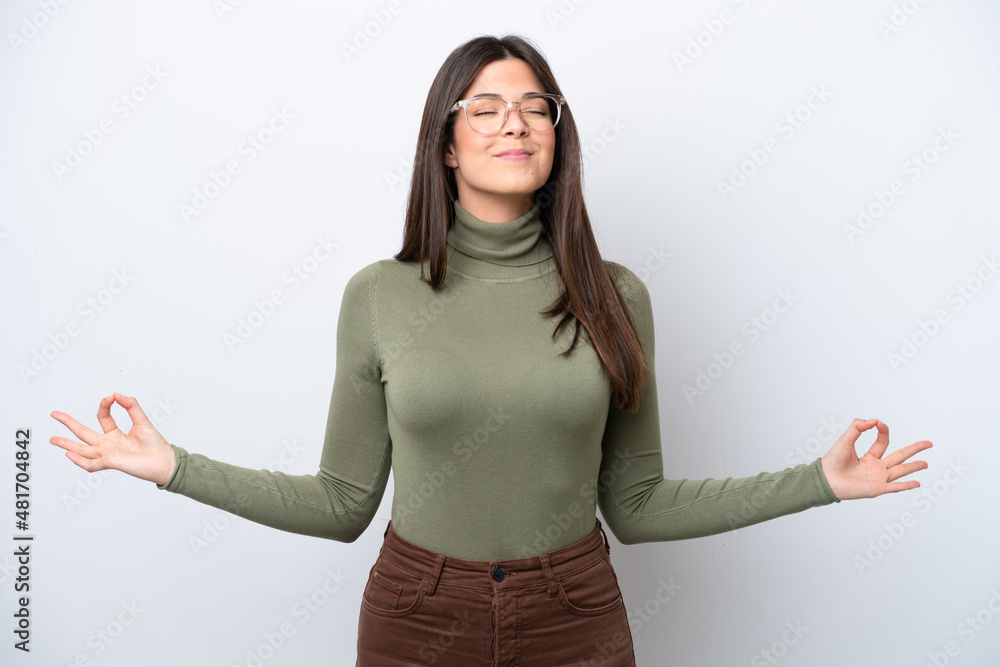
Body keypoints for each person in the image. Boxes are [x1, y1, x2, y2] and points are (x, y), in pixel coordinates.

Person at [49, 33, 932, 667]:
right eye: (488, 107)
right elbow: (342, 501)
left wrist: (821, 482)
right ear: (445, 141)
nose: (516, 122)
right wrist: (173, 466)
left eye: (534, 107)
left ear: (557, 134)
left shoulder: (616, 296)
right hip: (415, 614)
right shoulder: (379, 295)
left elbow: (639, 503)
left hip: (575, 614)